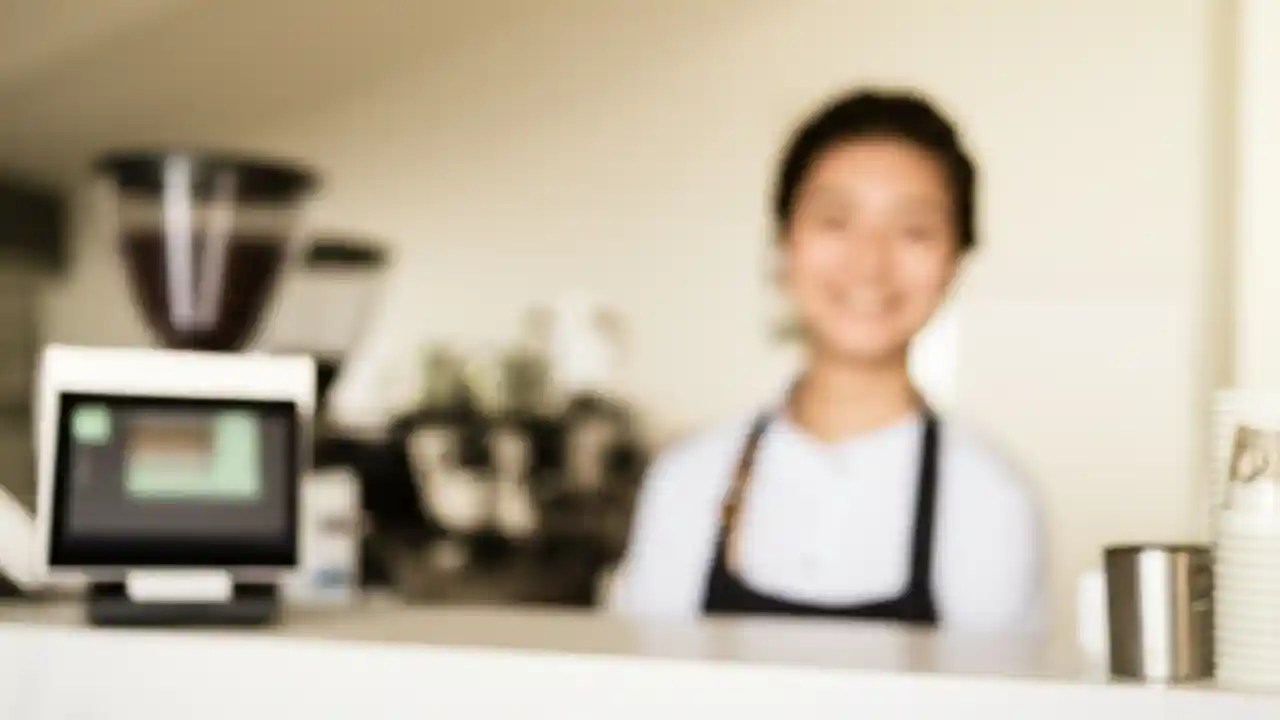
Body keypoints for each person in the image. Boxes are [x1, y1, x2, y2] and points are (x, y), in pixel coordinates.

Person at [609, 90, 1042, 632]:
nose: (869, 262)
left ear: (956, 259)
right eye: (836, 220)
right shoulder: (688, 479)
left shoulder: (992, 498)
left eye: (914, 230)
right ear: (785, 239)